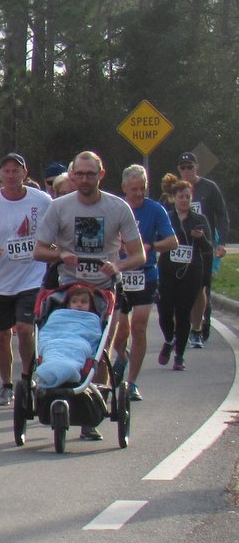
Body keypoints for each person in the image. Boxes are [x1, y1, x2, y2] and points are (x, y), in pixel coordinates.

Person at [0, 152, 52, 406]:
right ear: (1, 174)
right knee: (2, 335)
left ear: (25, 174)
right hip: (1, 280)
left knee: (26, 329)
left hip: (32, 277)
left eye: (15, 171)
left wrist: (52, 249)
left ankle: (28, 378)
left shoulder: (42, 200)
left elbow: (56, 227)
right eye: (6, 171)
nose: (10, 175)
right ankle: (6, 384)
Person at [110, 165, 176, 400]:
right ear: (124, 188)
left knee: (138, 326)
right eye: (134, 189)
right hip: (118, 275)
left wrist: (151, 246)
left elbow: (172, 241)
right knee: (116, 331)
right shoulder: (115, 207)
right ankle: (123, 356)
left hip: (145, 275)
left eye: (142, 188)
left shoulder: (155, 210)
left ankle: (132, 382)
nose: (138, 194)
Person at [35, 151, 146, 292]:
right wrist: (60, 255)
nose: (84, 179)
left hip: (107, 286)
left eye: (90, 174)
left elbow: (139, 256)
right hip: (70, 285)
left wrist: (118, 266)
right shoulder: (58, 206)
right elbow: (38, 251)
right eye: (80, 174)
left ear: (101, 174)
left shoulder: (119, 207)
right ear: (72, 175)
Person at [158, 178, 221, 371]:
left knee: (183, 313)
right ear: (173, 198)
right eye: (181, 197)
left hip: (191, 271)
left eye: (187, 197)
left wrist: (200, 239)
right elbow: (157, 241)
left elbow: (208, 248)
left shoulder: (199, 220)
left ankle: (179, 356)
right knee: (165, 311)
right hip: (168, 271)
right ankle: (169, 340)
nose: (184, 200)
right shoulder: (167, 218)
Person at [175, 152, 227, 347]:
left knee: (203, 287)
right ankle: (187, 326)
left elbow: (222, 215)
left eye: (190, 167)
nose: (187, 170)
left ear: (196, 167)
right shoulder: (176, 189)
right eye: (183, 167)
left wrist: (221, 242)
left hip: (204, 245)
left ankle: (203, 323)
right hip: (181, 247)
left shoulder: (209, 188)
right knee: (182, 289)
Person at [34, 285, 106, 388]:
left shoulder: (92, 319)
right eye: (75, 301)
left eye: (84, 302)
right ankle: (58, 368)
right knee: (51, 350)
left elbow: (93, 337)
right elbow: (48, 331)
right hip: (55, 342)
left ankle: (60, 370)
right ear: (68, 304)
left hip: (79, 344)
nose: (79, 305)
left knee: (79, 349)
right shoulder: (58, 315)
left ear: (90, 305)